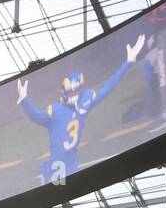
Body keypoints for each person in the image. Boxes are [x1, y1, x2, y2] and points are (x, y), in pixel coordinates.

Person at [17, 34, 146, 184]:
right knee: (51, 193)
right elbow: (37, 116)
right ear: (64, 91)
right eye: (71, 91)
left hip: (72, 166)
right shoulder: (56, 110)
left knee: (68, 190)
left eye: (76, 90)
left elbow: (108, 87)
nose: (73, 94)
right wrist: (24, 100)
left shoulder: (85, 102)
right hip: (54, 167)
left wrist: (128, 62)